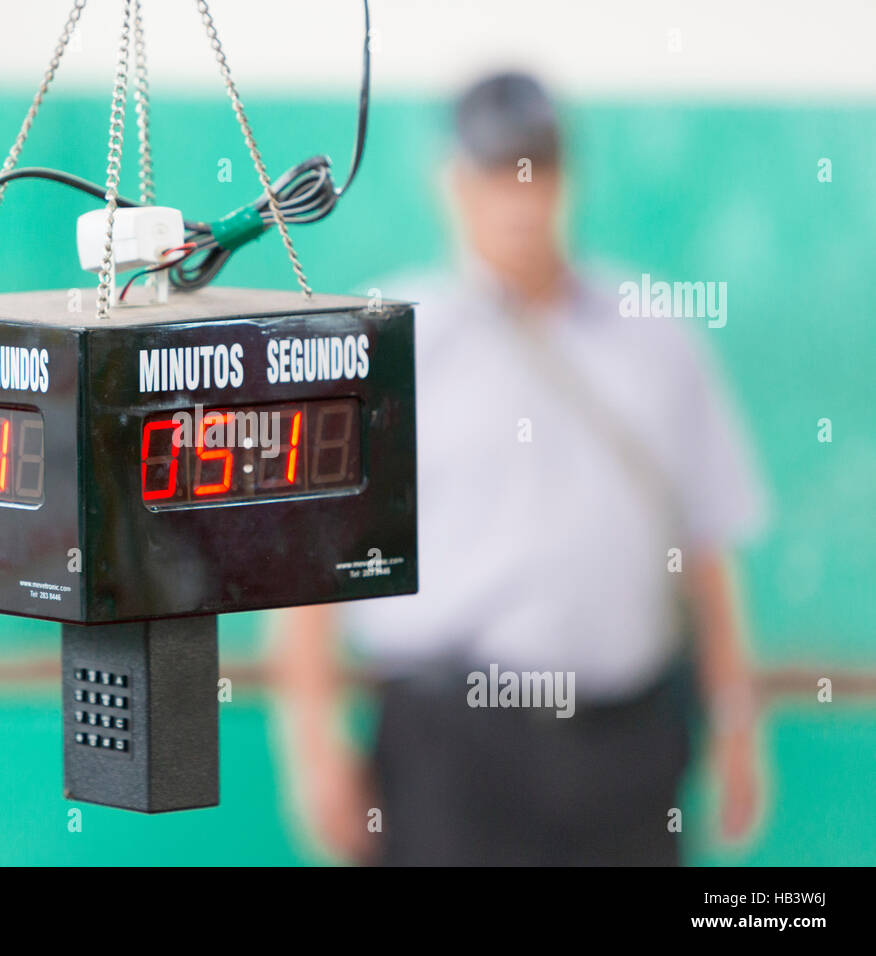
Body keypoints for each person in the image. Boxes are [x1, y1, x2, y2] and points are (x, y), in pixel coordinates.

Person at [270, 72, 767, 866]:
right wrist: (311, 745)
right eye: (496, 172)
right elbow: (313, 560)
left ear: (567, 177)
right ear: (453, 183)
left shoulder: (655, 335)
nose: (519, 197)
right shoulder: (387, 340)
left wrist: (739, 724)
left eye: (535, 169)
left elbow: (707, 549)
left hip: (627, 746)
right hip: (452, 754)